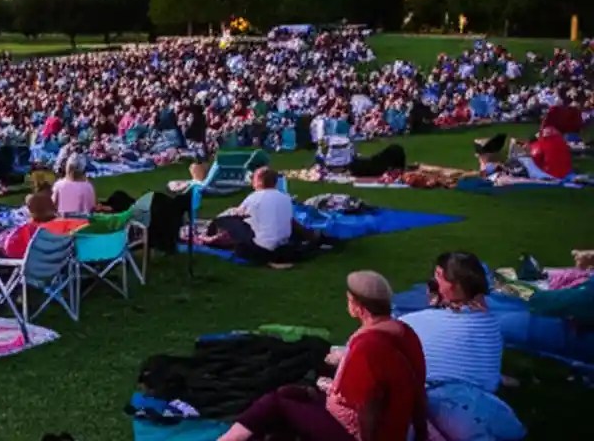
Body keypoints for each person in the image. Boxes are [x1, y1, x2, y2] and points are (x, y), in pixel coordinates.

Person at [219, 270, 428, 441]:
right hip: (389, 427)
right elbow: (417, 388)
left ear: (358, 307)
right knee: (288, 394)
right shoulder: (404, 333)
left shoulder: (368, 348)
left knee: (276, 403)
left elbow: (368, 407)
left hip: (355, 432)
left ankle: (230, 439)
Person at [402, 252, 525, 441]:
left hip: (449, 397)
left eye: (438, 276)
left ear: (452, 285)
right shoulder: (488, 321)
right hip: (477, 399)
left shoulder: (422, 321)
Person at [231, 167, 295, 267]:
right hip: (284, 247)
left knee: (234, 229)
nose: (252, 181)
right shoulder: (285, 198)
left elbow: (238, 215)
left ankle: (266, 262)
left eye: (253, 178)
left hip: (262, 248)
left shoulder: (254, 197)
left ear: (260, 181)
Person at [0, 190, 59, 259]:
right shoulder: (57, 230)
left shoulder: (26, 230)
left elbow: (10, 249)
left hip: (28, 260)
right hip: (52, 260)